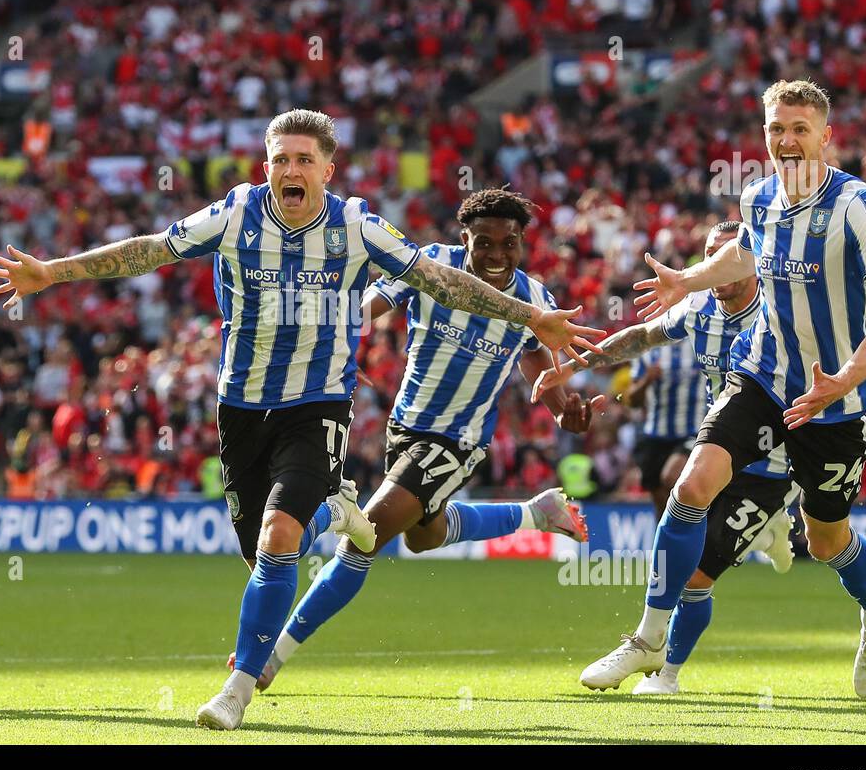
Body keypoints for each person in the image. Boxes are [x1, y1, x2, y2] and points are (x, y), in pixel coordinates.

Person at [0, 109, 605, 730]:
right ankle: (347, 510)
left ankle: (240, 685)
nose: (291, 169)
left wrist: (529, 320)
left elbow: (438, 280)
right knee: (274, 553)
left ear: (328, 170)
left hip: (322, 406)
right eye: (281, 158)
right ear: (267, 166)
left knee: (287, 536)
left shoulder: (357, 226)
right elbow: (151, 251)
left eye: (305, 159)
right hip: (243, 410)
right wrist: (53, 272)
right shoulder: (234, 215)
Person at [578, 79, 866, 698]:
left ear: (825, 137)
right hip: (762, 377)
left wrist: (843, 382)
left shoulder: (859, 208)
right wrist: (688, 280)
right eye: (776, 129)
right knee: (691, 485)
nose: (787, 141)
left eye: (800, 129)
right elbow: (743, 258)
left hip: (834, 403)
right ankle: (648, 640)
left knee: (826, 536)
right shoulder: (758, 200)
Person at [245, 188, 603, 692]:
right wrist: (343, 333)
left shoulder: (534, 301)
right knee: (423, 536)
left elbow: (535, 360)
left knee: (364, 536)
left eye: (510, 243)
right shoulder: (431, 265)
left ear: (523, 243)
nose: (497, 255)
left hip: (458, 442)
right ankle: (536, 513)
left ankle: (269, 656)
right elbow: (371, 305)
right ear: (464, 239)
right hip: (405, 428)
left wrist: (564, 408)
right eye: (485, 243)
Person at [538, 221, 866, 694]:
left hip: (778, 460)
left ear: (754, 263)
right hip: (732, 437)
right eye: (709, 259)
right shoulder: (698, 307)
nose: (719, 272)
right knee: (689, 513)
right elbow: (639, 337)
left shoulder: (780, 308)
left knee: (824, 544)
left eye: (730, 260)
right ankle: (663, 670)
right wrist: (575, 367)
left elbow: (847, 343)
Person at [625, 327, 706, 521]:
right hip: (655, 434)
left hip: (694, 431)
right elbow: (631, 400)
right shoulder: (647, 347)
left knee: (671, 478)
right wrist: (647, 380)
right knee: (659, 499)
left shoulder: (701, 343)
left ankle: (696, 532)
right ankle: (666, 548)